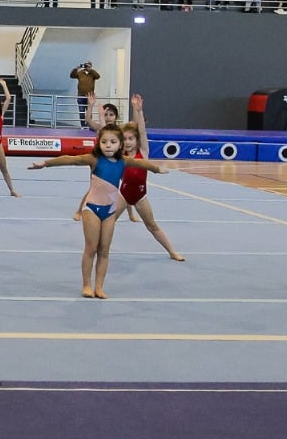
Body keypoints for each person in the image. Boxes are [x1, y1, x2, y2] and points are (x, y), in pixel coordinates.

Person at [29, 124, 167, 298]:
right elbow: (70, 159)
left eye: (112, 142)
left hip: (109, 211)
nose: (108, 145)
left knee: (104, 250)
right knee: (91, 248)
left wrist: (157, 169)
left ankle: (99, 287)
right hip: (92, 209)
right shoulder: (94, 159)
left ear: (120, 145)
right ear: (99, 143)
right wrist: (45, 163)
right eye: (104, 142)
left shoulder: (123, 161)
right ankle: (87, 285)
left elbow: (141, 163)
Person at [117, 95, 185, 262]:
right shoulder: (121, 155)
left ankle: (171, 251)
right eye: (124, 140)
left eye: (131, 139)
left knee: (152, 225)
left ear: (137, 141)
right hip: (123, 195)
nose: (128, 142)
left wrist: (138, 110)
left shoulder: (144, 152)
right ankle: (98, 249)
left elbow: (141, 130)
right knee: (108, 222)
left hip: (140, 196)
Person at [71, 61, 100, 128]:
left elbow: (98, 76)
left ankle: (89, 125)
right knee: (81, 111)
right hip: (81, 95)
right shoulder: (80, 73)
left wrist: (91, 70)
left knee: (89, 111)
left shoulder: (92, 74)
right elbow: (72, 76)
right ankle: (83, 126)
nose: (86, 67)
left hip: (90, 96)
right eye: (86, 65)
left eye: (88, 65)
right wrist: (76, 68)